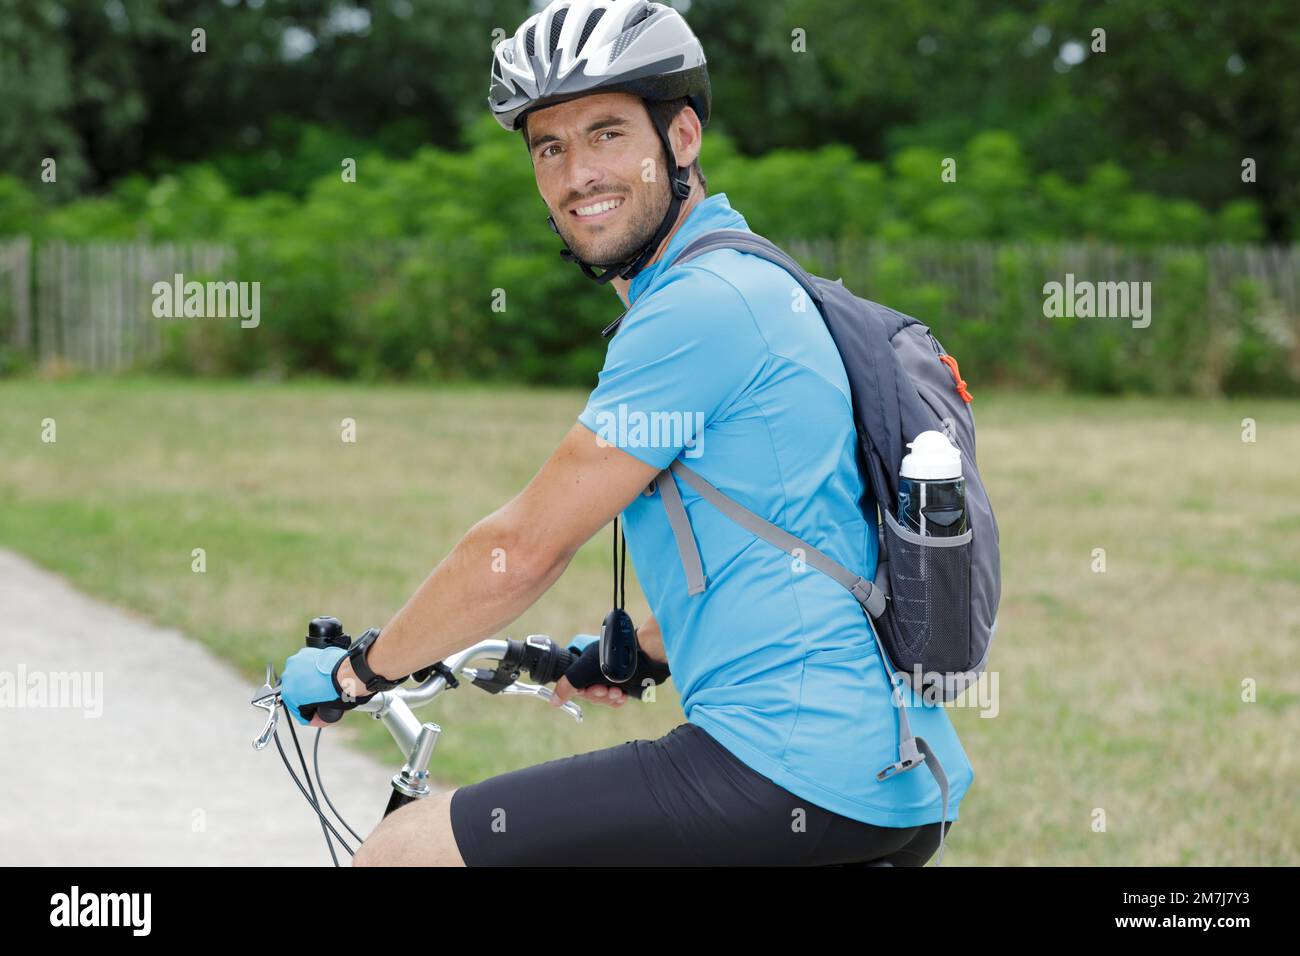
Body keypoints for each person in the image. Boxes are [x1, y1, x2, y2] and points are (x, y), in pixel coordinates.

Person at [280, 0, 973, 866]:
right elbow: (795, 541)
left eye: (606, 133)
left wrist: (361, 671)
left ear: (680, 137)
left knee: (408, 851)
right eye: (549, 146)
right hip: (895, 779)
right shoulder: (756, 278)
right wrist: (632, 656)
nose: (577, 173)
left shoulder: (699, 305)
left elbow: (523, 548)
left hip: (786, 769)